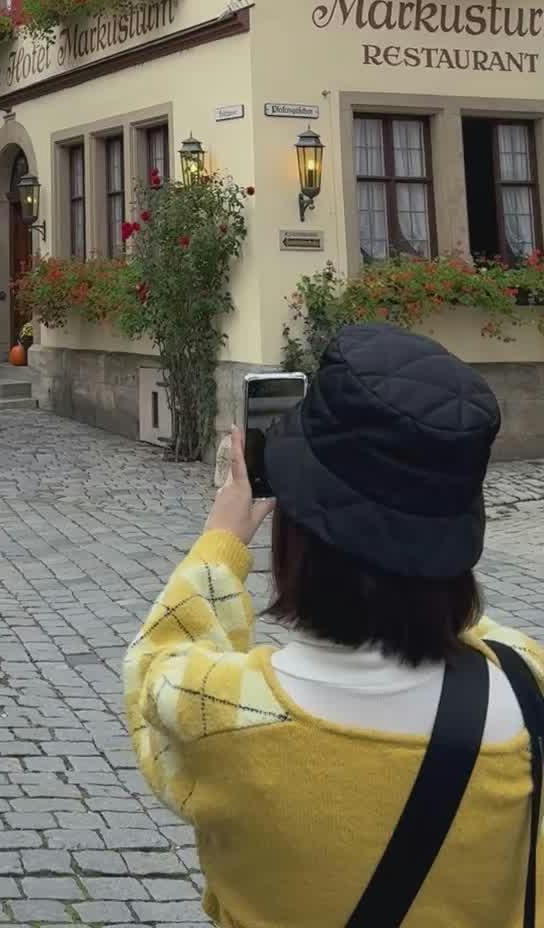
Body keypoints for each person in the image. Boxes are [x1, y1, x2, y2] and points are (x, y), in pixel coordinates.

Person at [124, 324, 544, 927]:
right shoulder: (527, 687)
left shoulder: (219, 714)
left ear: (297, 532)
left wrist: (220, 542)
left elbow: (155, 663)